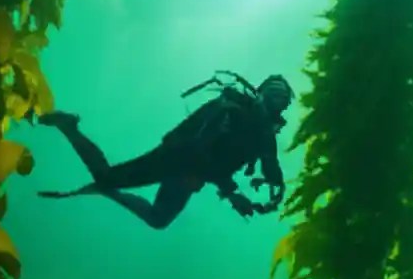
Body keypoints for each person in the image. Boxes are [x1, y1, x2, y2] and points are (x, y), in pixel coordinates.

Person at [36, 72, 294, 229]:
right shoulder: (231, 112)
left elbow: (270, 164)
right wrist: (231, 192)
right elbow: (197, 148)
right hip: (172, 159)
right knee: (105, 177)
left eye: (281, 101)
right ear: (258, 94)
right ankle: (70, 129)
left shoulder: (263, 135)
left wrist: (274, 196)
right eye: (273, 96)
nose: (275, 105)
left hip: (190, 174)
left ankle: (106, 189)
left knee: (158, 219)